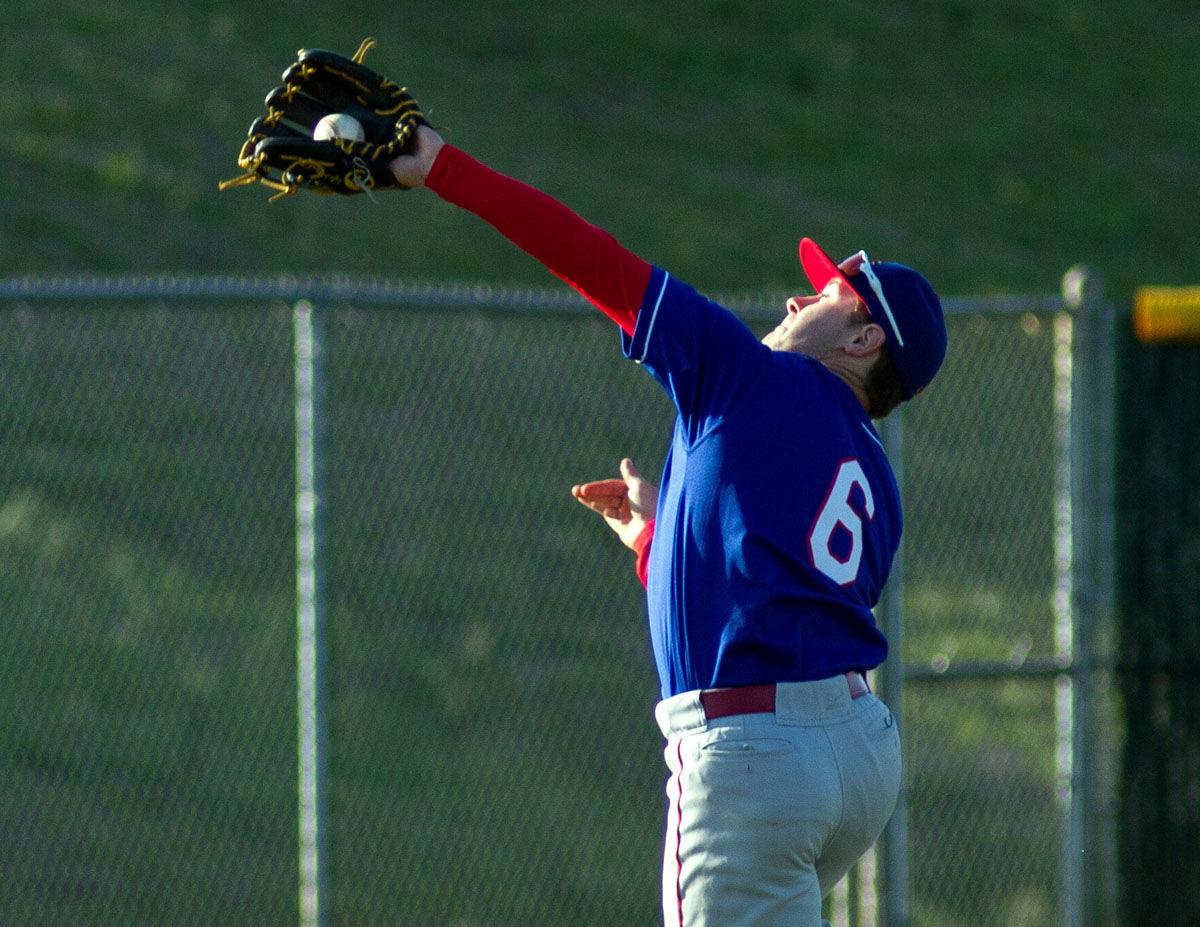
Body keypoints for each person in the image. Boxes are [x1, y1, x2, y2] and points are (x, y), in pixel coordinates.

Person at [390, 123, 947, 927]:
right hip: (858, 756)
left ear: (864, 340)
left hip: (753, 761)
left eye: (828, 293)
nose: (798, 297)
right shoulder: (877, 481)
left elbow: (594, 260)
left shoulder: (746, 375)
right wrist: (661, 539)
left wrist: (443, 167)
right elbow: (766, 599)